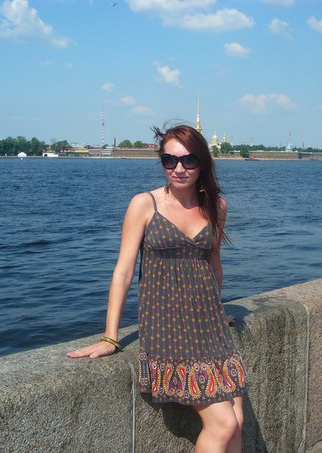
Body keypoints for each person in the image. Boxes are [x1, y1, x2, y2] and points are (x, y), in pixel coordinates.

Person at [67, 124, 246, 452]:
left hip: (209, 325)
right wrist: (110, 337)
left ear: (202, 163)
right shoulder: (144, 204)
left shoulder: (217, 205)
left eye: (189, 160)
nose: (179, 168)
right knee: (223, 423)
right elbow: (123, 271)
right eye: (169, 160)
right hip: (168, 327)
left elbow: (214, 263)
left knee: (237, 421)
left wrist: (217, 310)